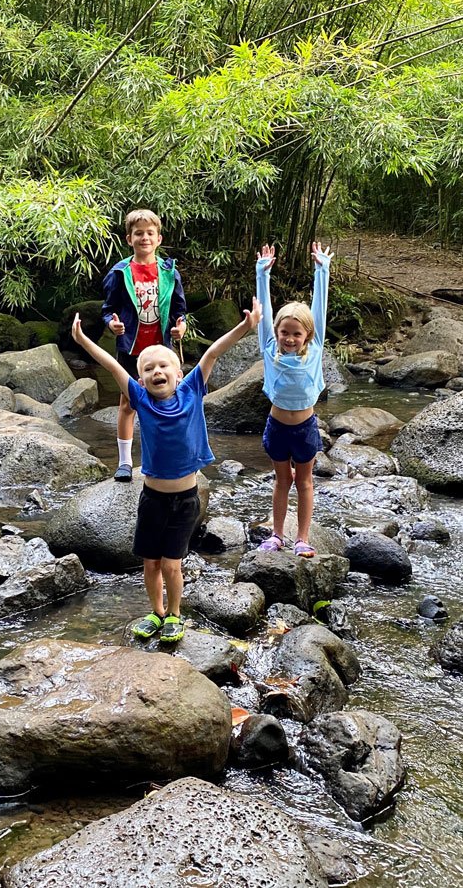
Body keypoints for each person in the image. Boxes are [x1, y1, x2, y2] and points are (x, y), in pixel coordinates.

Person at [71, 297, 262, 643]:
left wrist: (244, 327)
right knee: (150, 563)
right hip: (152, 498)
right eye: (148, 369)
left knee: (172, 564)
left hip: (185, 500)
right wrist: (83, 340)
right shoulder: (141, 398)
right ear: (141, 381)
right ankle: (156, 612)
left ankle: (175, 614)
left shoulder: (191, 390)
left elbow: (213, 354)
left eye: (163, 367)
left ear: (177, 373)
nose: (157, 372)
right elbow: (114, 367)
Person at [254, 241, 331, 557]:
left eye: (296, 334)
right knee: (282, 481)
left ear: (308, 336)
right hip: (277, 426)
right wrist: (263, 274)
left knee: (305, 483)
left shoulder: (314, 350)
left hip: (305, 428)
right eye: (284, 332)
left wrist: (321, 270)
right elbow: (266, 311)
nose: (289, 338)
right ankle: (277, 535)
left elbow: (319, 307)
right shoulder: (270, 348)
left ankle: (302, 538)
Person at [100, 209, 187, 482]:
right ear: (129, 238)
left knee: (169, 402)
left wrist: (180, 325)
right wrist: (111, 324)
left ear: (159, 238)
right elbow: (108, 309)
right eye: (139, 233)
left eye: (150, 233)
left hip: (161, 349)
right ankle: (125, 462)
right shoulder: (120, 272)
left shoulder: (168, 271)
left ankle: (165, 456)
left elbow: (179, 309)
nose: (145, 238)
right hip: (132, 348)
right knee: (128, 402)